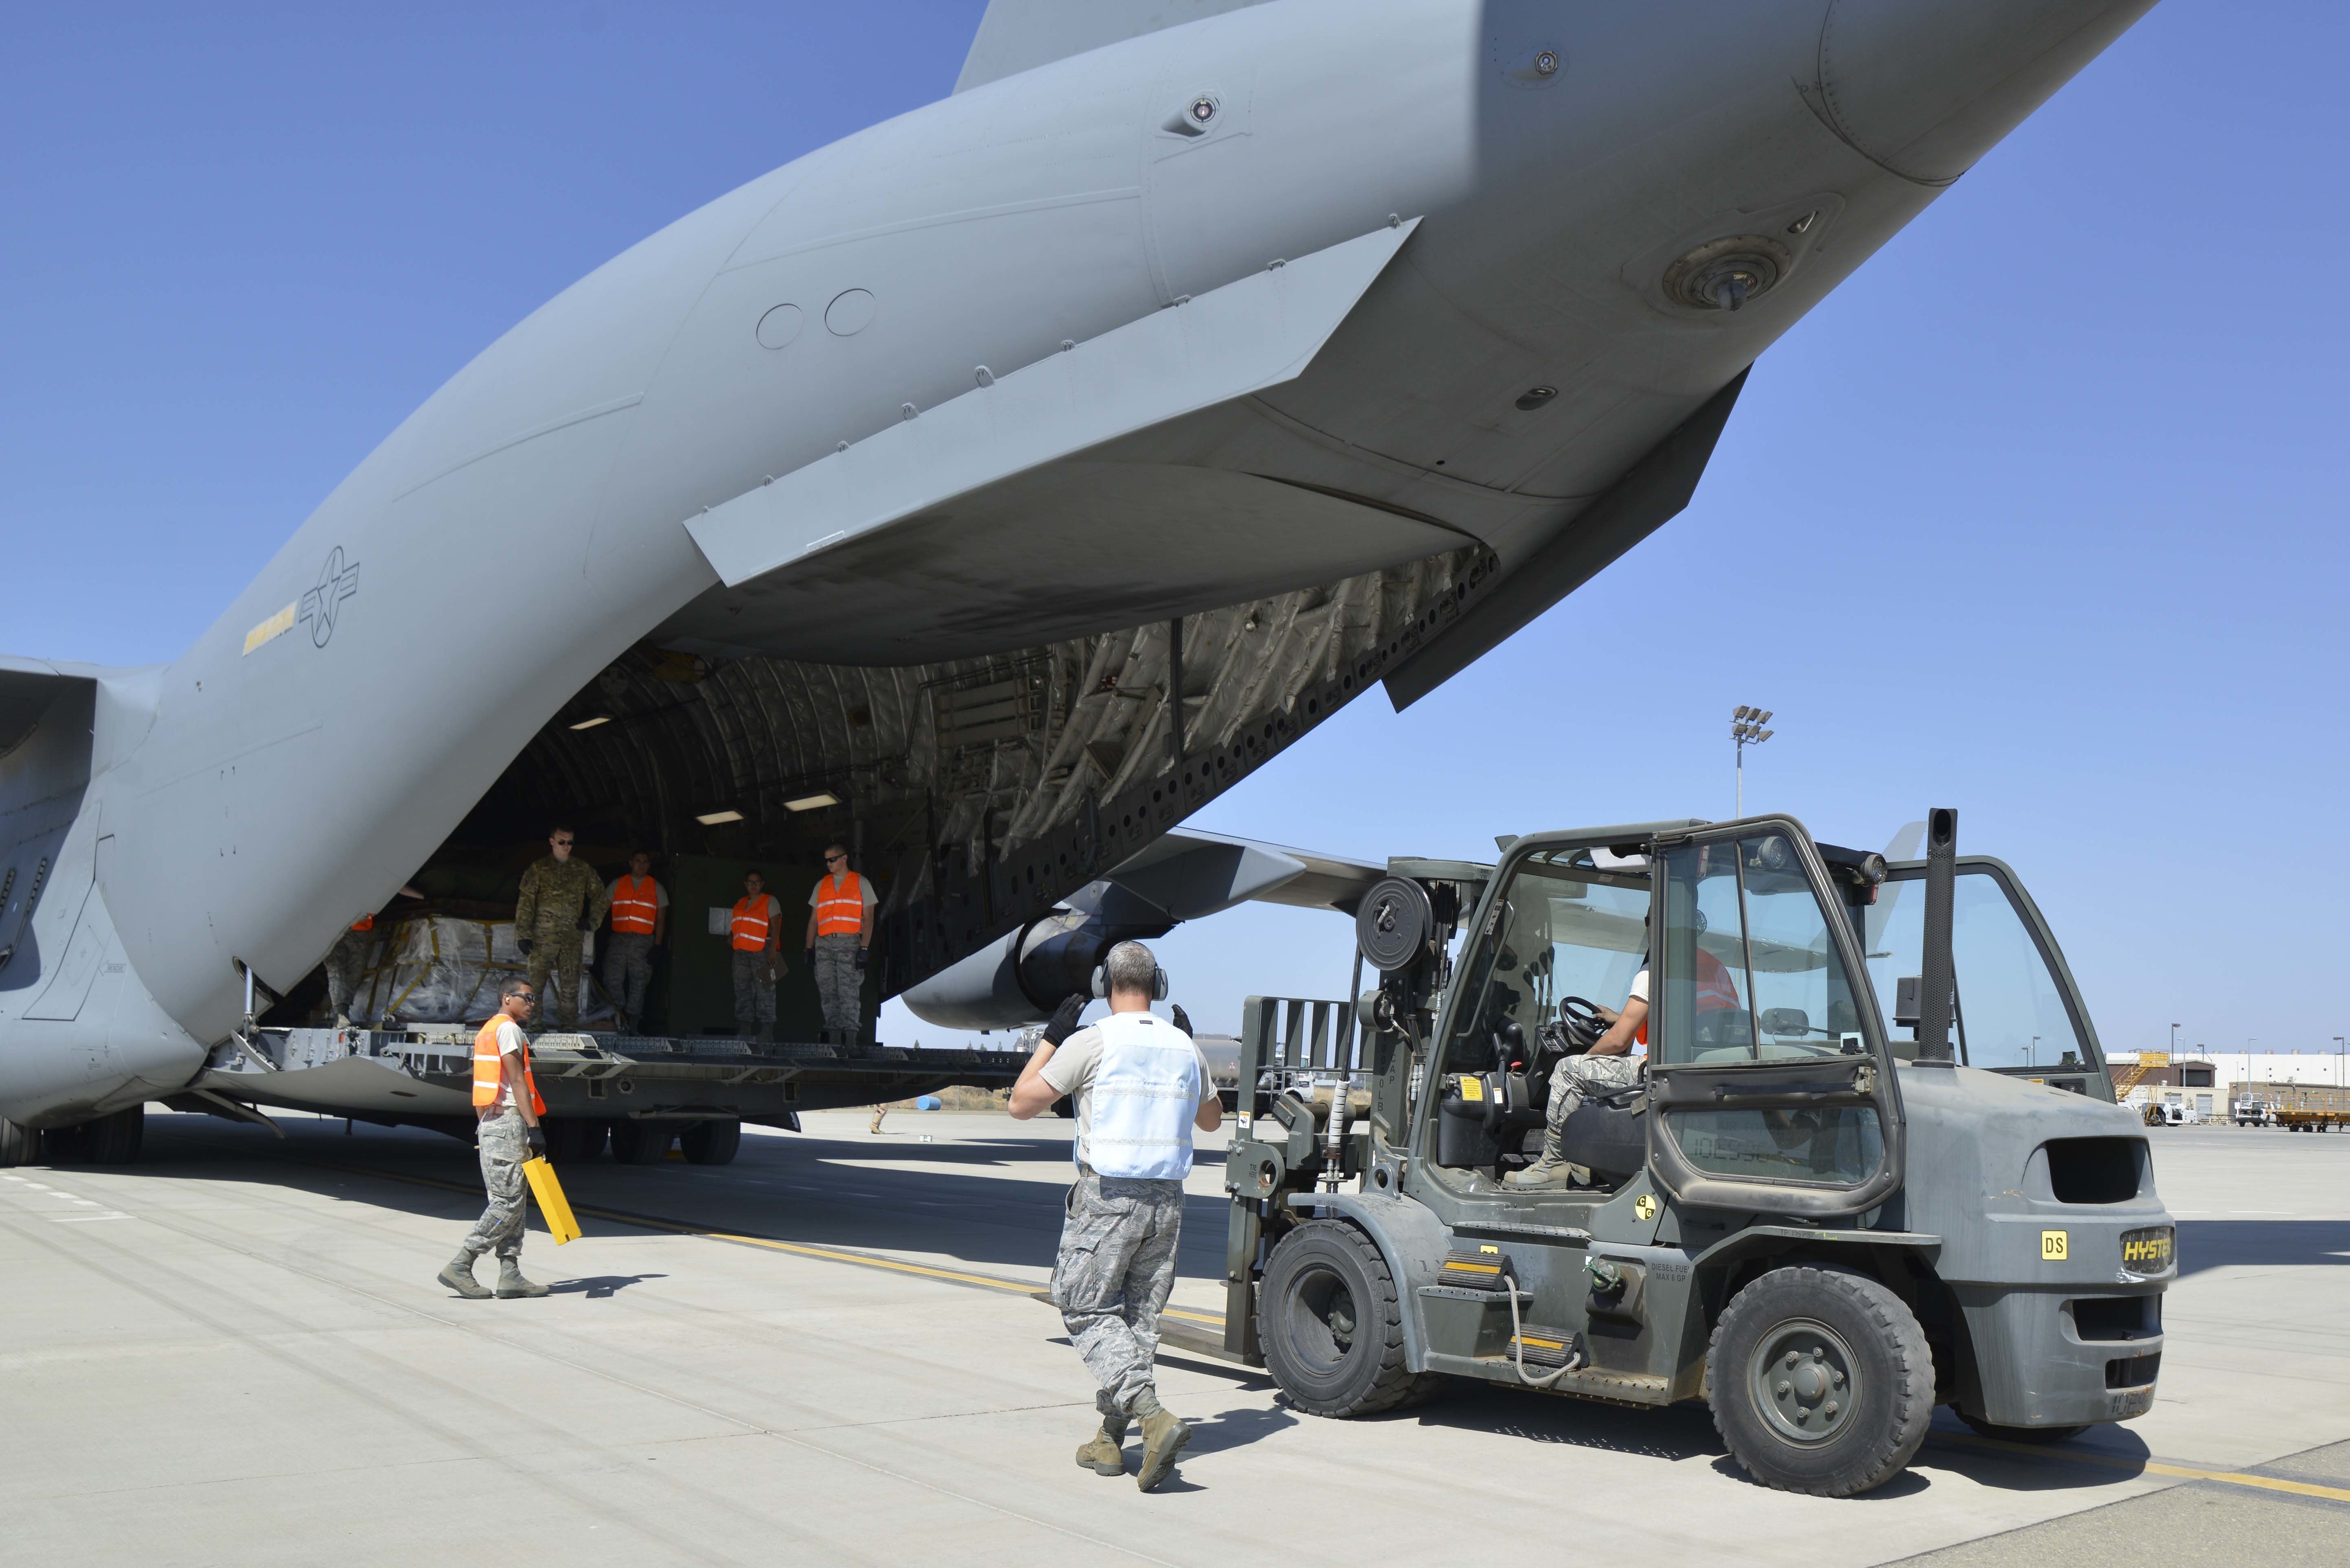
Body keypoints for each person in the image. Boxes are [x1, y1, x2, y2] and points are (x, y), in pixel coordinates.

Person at [1008, 942, 1221, 1493]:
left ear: (1106, 985)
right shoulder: (1182, 1047)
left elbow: (1022, 1102)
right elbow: (1213, 1121)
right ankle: (1110, 1440)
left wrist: (1052, 1036)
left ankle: (1154, 1419)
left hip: (1108, 1199)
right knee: (1137, 1324)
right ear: (1161, 985)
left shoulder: (1092, 1041)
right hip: (1167, 1204)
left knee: (1082, 1306)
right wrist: (1189, 1049)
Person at [1506, 930, 1742, 1189]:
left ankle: (1552, 1164)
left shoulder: (1657, 968)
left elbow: (1619, 1040)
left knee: (1568, 1069)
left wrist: (1587, 1058)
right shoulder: (1716, 968)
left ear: (1655, 925)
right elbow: (1689, 1022)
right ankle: (1585, 1162)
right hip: (1698, 1071)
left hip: (1661, 1074)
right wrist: (1621, 1017)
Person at [438, 978, 551, 1299]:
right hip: (509, 1123)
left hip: (492, 1122)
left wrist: (486, 1126)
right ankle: (462, 1263)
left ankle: (510, 1273)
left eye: (534, 998)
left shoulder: (488, 1030)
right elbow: (516, 1080)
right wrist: (534, 1127)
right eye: (527, 998)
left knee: (510, 1201)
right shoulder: (509, 1030)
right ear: (507, 998)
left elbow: (484, 1086)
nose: (532, 1003)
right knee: (509, 1202)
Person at [514, 826, 609, 1031]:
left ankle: (568, 1028)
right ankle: (535, 1025)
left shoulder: (582, 869)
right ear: (552, 842)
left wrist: (592, 921)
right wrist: (523, 935)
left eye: (570, 842)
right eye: (562, 842)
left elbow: (601, 896)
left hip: (571, 939)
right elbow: (526, 902)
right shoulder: (539, 869)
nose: (567, 846)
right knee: (535, 986)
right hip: (543, 938)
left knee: (570, 988)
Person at [804, 843, 875, 1045]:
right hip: (824, 944)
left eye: (833, 859)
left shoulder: (861, 883)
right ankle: (835, 1040)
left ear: (845, 858)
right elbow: (813, 921)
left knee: (849, 992)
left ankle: (851, 1040)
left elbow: (869, 919)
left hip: (849, 943)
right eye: (826, 860)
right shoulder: (822, 885)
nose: (829, 864)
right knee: (828, 992)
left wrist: (864, 948)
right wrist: (808, 948)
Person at [324, 883, 421, 1028]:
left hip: (360, 932)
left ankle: (344, 1013)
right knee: (337, 971)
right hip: (336, 930)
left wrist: (424, 896)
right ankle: (341, 1014)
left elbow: (398, 887)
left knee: (355, 974)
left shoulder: (371, 877)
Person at [603, 850, 668, 1032]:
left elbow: (661, 919)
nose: (642, 865)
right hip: (619, 939)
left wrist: (658, 946)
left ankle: (633, 1025)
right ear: (631, 863)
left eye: (645, 862)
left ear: (649, 865)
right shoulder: (618, 884)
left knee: (639, 983)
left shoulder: (656, 888)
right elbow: (602, 910)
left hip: (643, 941)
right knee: (612, 978)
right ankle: (617, 1018)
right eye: (638, 861)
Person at [728, 869, 785, 1038]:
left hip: (764, 952)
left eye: (757, 882)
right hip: (741, 954)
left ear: (762, 884)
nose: (754, 885)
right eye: (750, 882)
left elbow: (776, 926)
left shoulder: (770, 901)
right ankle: (745, 1029)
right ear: (745, 884)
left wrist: (773, 952)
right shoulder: (741, 902)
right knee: (742, 990)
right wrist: (731, 937)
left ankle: (767, 1032)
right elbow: (739, 924)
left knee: (766, 990)